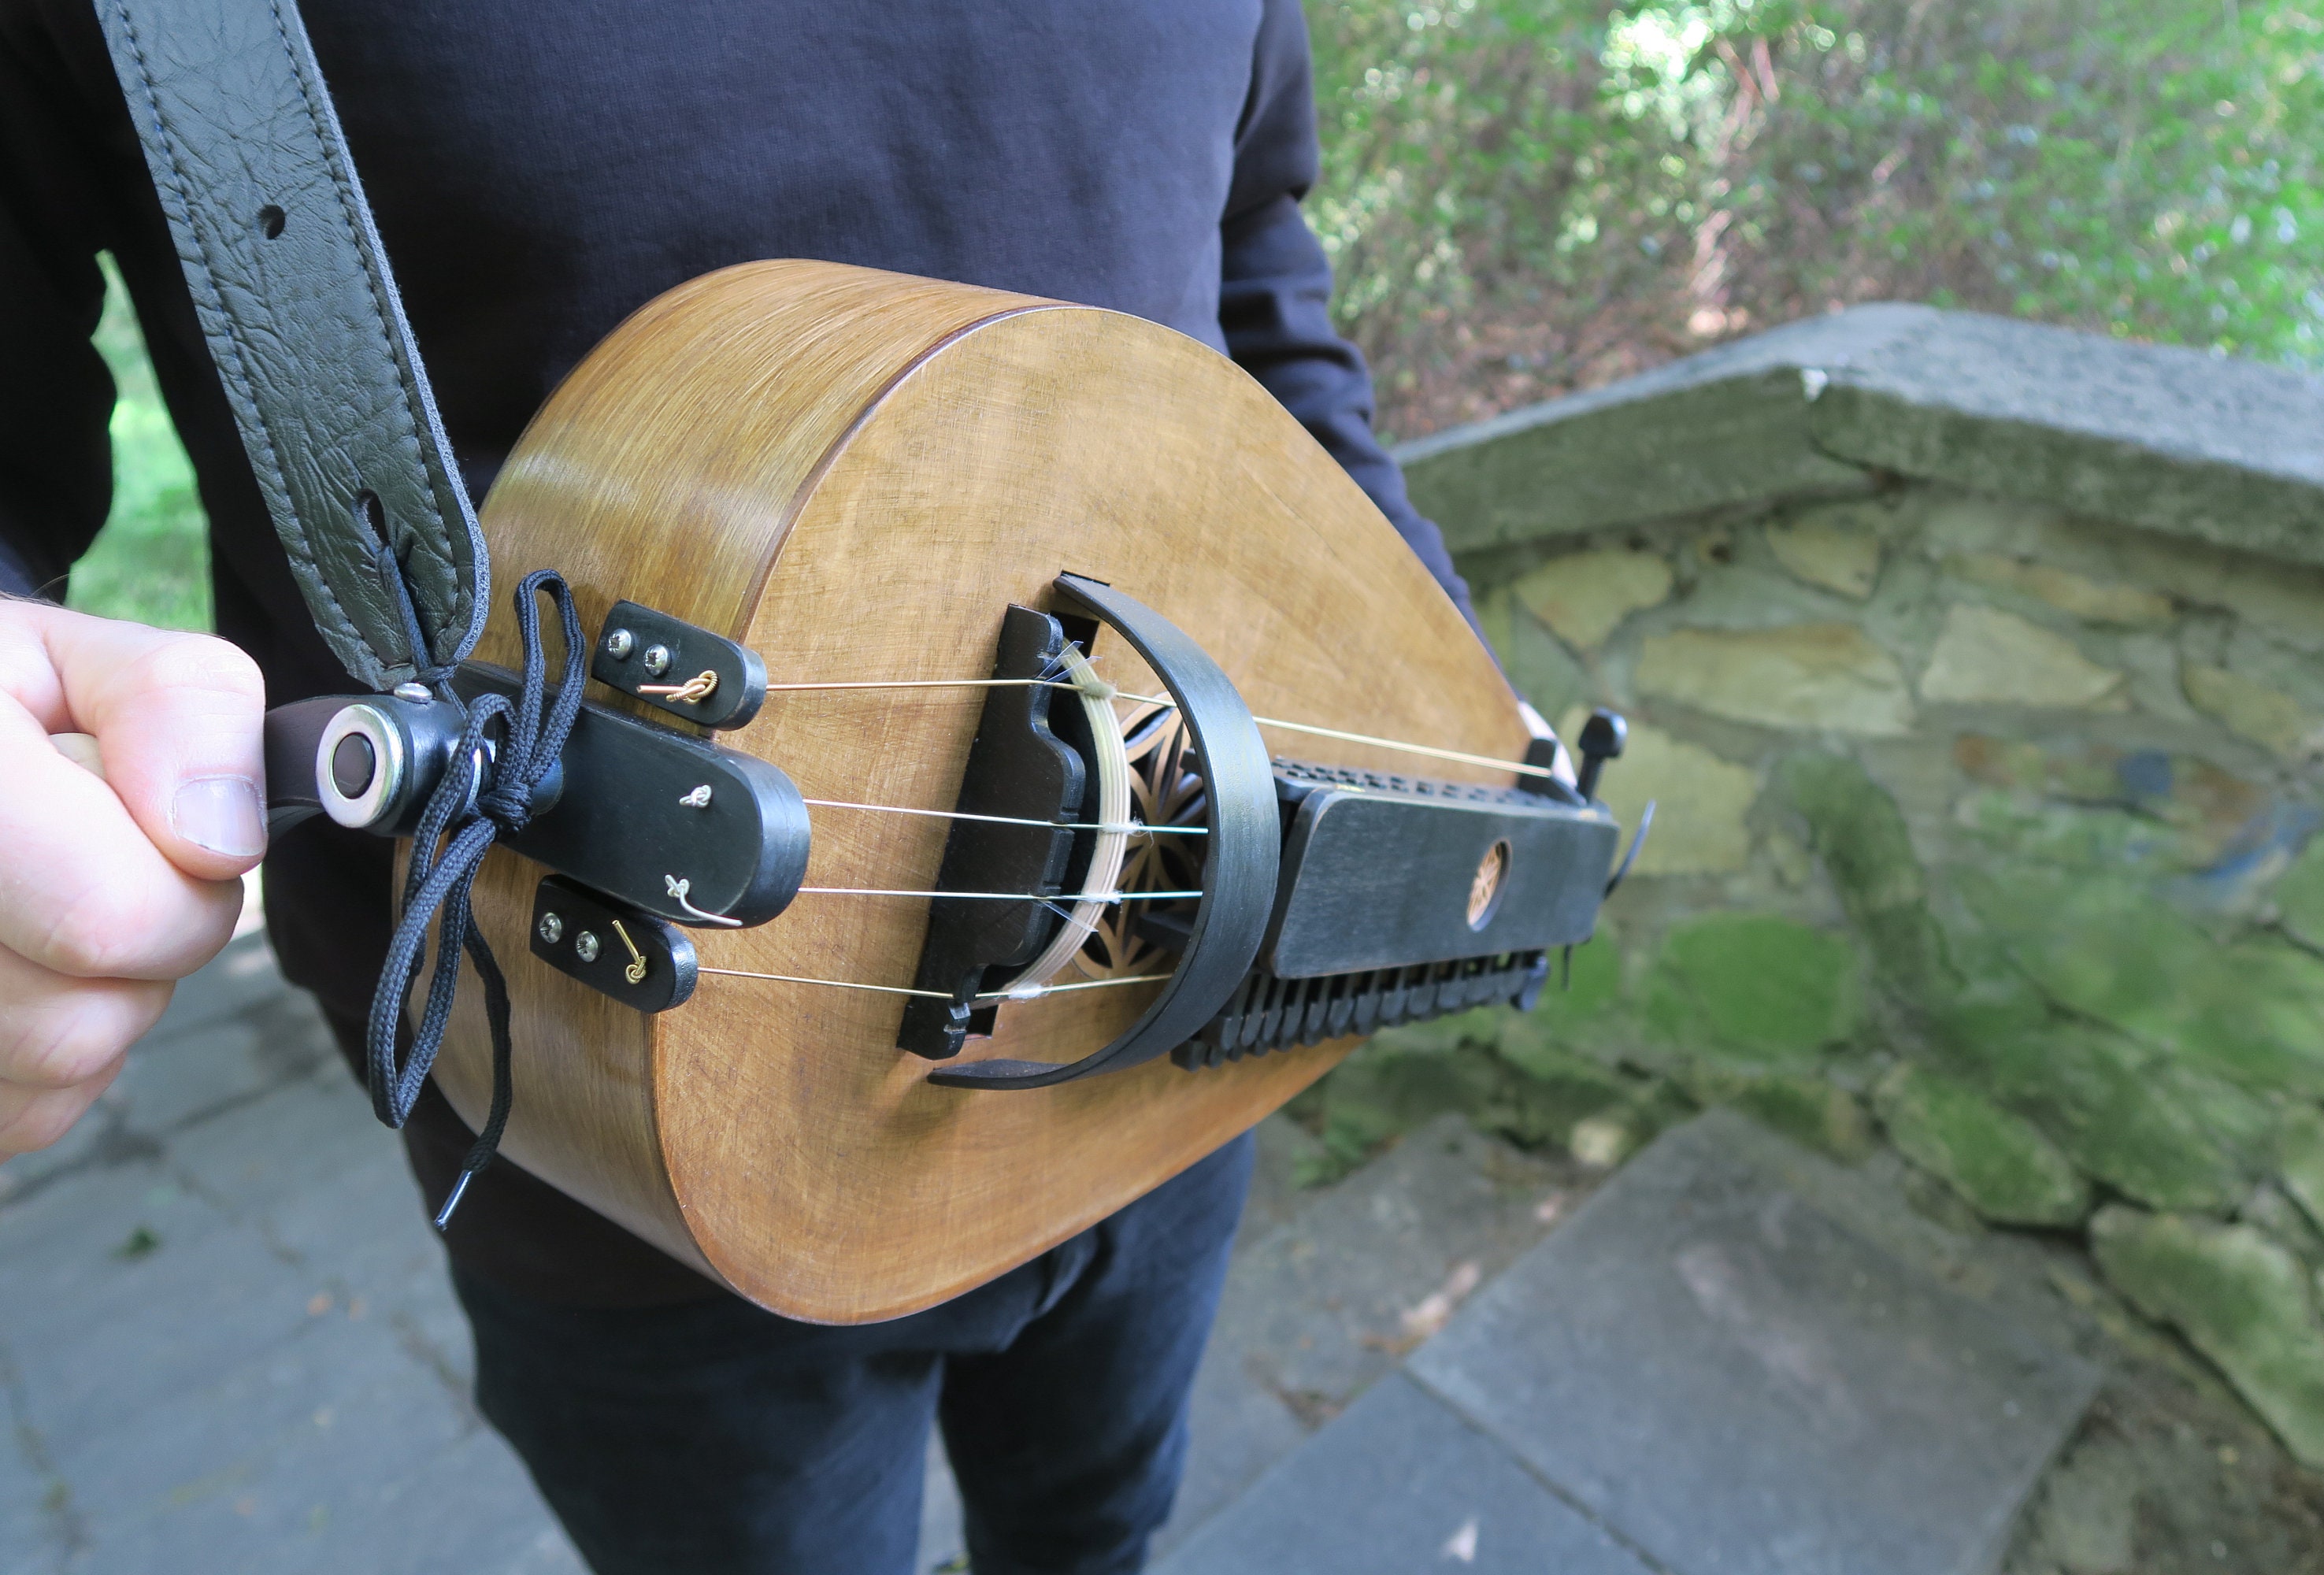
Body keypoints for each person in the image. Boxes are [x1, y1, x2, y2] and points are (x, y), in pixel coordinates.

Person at [0, 3, 1482, 1570]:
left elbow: (1253, 244)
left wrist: (1425, 645)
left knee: (1100, 1532)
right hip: (622, 1151)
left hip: (1172, 976)